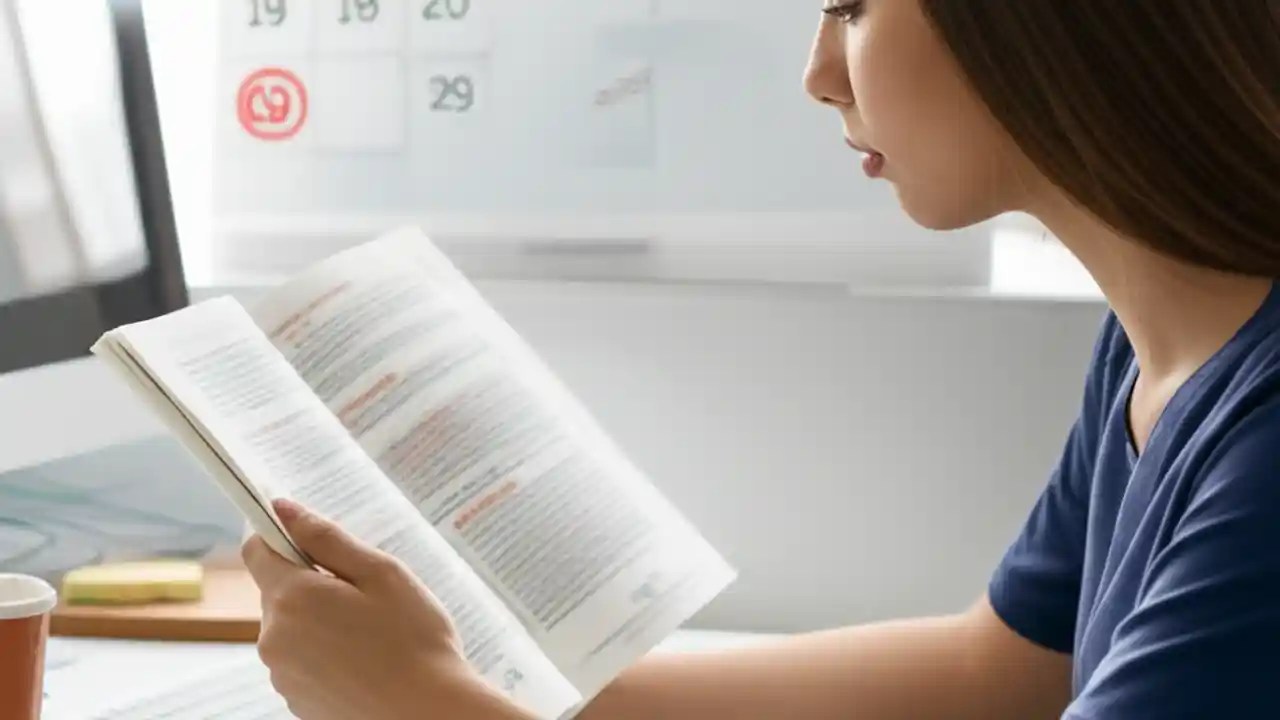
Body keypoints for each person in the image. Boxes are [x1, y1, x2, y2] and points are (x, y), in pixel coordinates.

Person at [241, 1, 1280, 718]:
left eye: (852, 4)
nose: (816, 72)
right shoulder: (1161, 337)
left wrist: (429, 707)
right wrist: (499, 689)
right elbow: (998, 669)